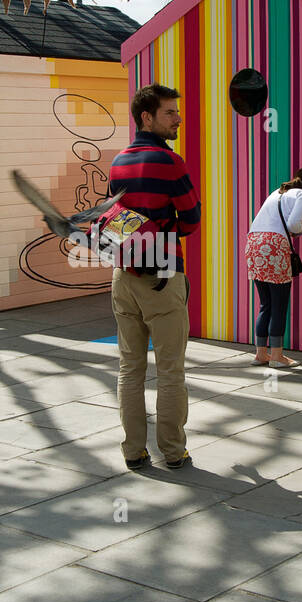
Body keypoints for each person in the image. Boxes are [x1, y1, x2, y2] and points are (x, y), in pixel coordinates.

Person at [107, 83, 201, 471]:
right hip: (163, 275)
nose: (178, 118)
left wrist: (140, 237)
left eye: (177, 111)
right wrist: (163, 234)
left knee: (130, 368)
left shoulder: (118, 163)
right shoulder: (171, 162)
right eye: (169, 112)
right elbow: (192, 220)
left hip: (122, 275)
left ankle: (134, 450)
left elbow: (115, 222)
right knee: (170, 370)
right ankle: (173, 451)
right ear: (146, 116)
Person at [244, 166, 302, 368]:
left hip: (253, 242)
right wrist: (299, 230)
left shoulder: (278, 192)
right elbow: (293, 225)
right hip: (274, 245)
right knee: (279, 304)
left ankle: (261, 354)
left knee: (265, 303)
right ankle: (277, 357)